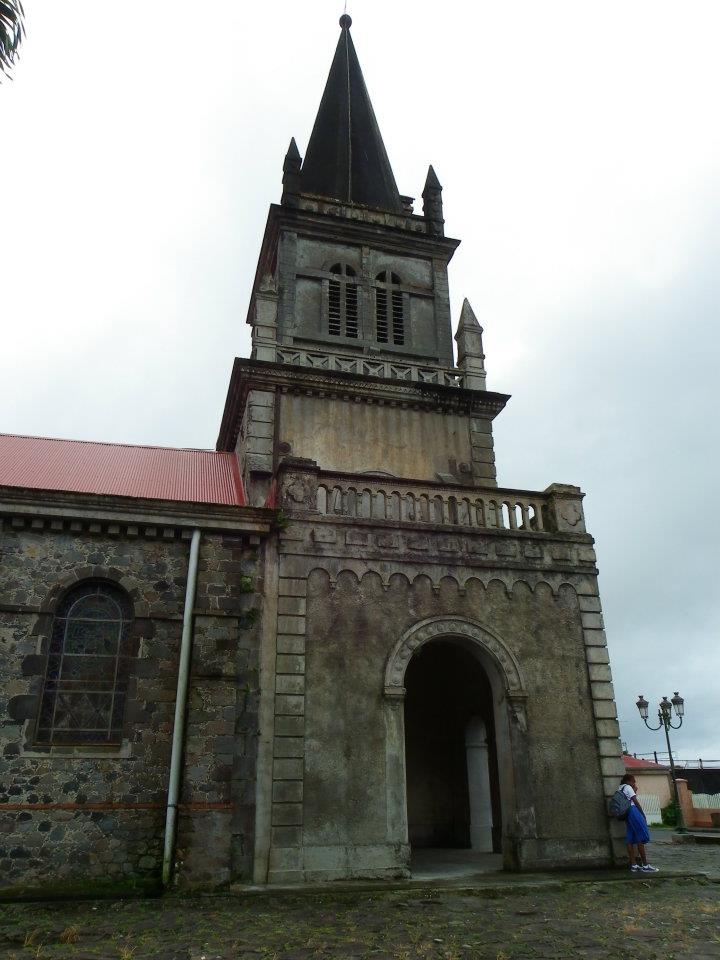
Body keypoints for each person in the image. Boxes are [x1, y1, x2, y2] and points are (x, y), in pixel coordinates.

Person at [620, 774, 658, 873]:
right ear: (628, 781)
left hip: (626, 813)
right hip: (633, 810)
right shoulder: (628, 787)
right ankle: (645, 865)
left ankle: (634, 865)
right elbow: (635, 801)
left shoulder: (620, 788)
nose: (634, 783)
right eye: (633, 781)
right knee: (640, 836)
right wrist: (642, 814)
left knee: (630, 837)